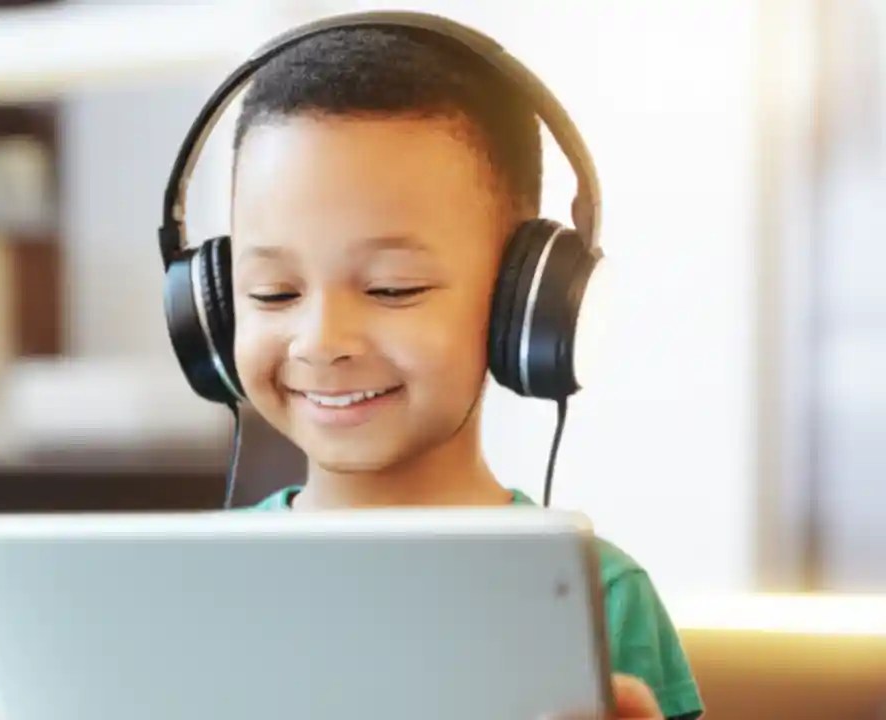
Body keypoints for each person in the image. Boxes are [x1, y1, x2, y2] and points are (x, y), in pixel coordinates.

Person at [224, 24, 705, 720]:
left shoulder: (598, 596)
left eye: (393, 288)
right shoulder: (197, 583)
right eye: (274, 293)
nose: (322, 342)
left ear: (524, 303)